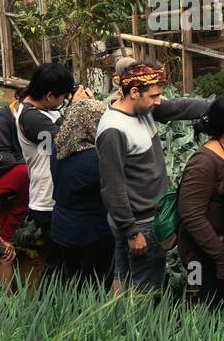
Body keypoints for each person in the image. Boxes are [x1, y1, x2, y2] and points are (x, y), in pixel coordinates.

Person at [97, 63, 210, 292]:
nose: (159, 101)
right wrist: (132, 232)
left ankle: (113, 320)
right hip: (139, 222)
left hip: (138, 219)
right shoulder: (114, 129)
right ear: (134, 92)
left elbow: (177, 108)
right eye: (154, 95)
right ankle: (139, 325)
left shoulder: (141, 109)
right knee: (145, 287)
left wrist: (215, 106)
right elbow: (112, 187)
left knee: (124, 276)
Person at [14, 63, 89, 251]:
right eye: (62, 97)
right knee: (58, 261)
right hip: (47, 201)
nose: (64, 101)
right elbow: (68, 141)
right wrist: (77, 107)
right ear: (48, 95)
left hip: (56, 197)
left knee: (63, 259)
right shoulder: (32, 118)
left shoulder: (45, 109)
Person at [177, 96, 224, 305]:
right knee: (200, 311)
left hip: (221, 253)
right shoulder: (203, 162)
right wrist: (221, 257)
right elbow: (191, 214)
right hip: (199, 259)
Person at [46, 100, 113, 288]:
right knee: (94, 284)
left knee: (71, 279)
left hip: (62, 225)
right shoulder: (94, 159)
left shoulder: (58, 148)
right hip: (90, 231)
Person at [0, 99, 28, 287]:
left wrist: (4, 238)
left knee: (5, 255)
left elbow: (18, 208)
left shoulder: (20, 173)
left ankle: (7, 311)